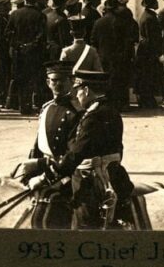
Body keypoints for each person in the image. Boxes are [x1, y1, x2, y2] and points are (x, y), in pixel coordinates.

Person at [43, 50, 136, 229]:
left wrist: (53, 173)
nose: (76, 95)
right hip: (113, 171)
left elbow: (79, 151)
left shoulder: (95, 115)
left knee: (82, 222)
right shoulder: (107, 109)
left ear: (86, 90)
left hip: (94, 179)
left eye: (78, 91)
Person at [11, 58, 78, 228]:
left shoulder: (76, 112)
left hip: (64, 172)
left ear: (72, 81)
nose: (58, 84)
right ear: (48, 82)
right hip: (45, 166)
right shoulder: (46, 107)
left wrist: (44, 172)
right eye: (54, 80)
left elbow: (73, 155)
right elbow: (38, 144)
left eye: (62, 80)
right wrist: (30, 166)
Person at [133, 0, 164, 110]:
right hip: (148, 52)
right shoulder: (150, 18)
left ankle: (147, 100)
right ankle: (148, 101)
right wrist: (158, 53)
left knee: (146, 77)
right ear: (151, 3)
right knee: (149, 76)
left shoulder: (146, 15)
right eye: (155, 1)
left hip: (145, 50)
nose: (157, 3)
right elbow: (153, 38)